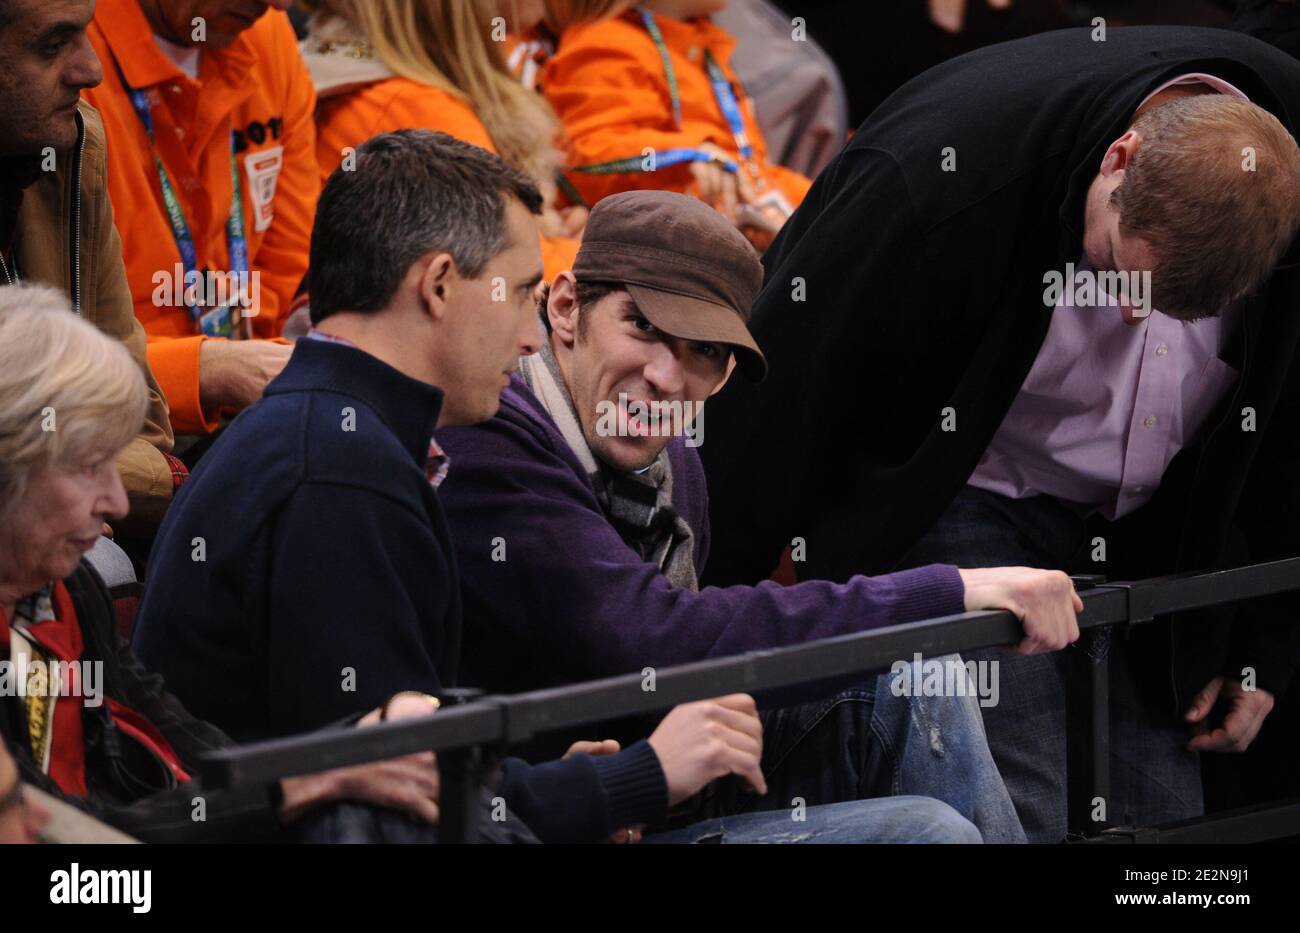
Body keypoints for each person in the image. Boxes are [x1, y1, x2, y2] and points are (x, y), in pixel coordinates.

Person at [132, 130, 984, 844]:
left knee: (912, 691)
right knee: (923, 831)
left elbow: (409, 770)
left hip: (526, 801)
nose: (528, 329)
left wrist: (567, 781)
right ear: (439, 287)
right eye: (525, 294)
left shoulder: (343, 439)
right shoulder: (344, 468)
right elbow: (385, 807)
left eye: (706, 355)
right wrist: (631, 779)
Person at [699, 26, 1300, 841]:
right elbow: (778, 397)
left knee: (1165, 830)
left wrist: (1265, 641)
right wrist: (698, 631)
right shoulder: (939, 169)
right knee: (1023, 813)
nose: (1134, 314)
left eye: (1175, 310)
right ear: (1117, 161)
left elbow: (1290, 436)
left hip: (1164, 526)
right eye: (1121, 276)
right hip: (970, 491)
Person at [435, 188, 1087, 842]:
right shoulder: (486, 428)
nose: (668, 375)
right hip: (528, 815)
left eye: (705, 352)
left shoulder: (676, 455)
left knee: (922, 671)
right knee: (927, 833)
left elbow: (674, 653)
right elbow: (650, 637)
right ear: (567, 307)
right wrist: (950, 587)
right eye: (643, 326)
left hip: (645, 787)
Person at [0, 282, 505, 844]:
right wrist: (300, 784)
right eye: (90, 465)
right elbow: (73, 853)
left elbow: (195, 749)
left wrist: (350, 750)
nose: (118, 502)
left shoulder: (70, 588)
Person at [82, 0, 319, 437]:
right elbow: (45, 351)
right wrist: (201, 370)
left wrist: (248, 354)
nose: (282, 4)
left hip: (247, 402)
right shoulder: (66, 56)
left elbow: (288, 249)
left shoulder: (267, 35)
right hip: (111, 432)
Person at [0, 0, 179, 532]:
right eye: (52, 45)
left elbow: (140, 423)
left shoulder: (69, 145)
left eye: (86, 34)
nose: (91, 69)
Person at [302, 0, 582, 279]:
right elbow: (529, 286)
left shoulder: (370, 69)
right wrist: (597, 251)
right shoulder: (411, 107)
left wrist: (567, 240)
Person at [543, 0, 812, 251]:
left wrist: (826, 202)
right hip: (665, 259)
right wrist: (688, 154)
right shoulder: (602, 43)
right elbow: (587, 158)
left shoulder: (698, 40)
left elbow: (753, 168)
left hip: (725, 242)